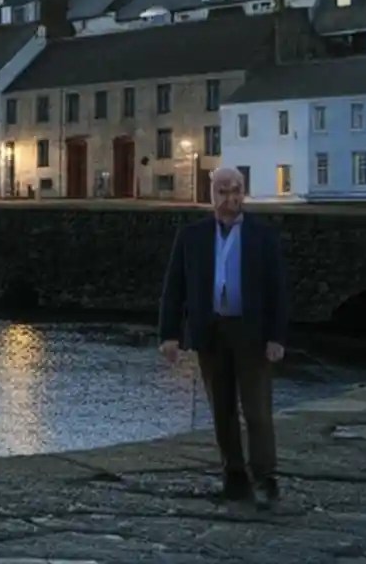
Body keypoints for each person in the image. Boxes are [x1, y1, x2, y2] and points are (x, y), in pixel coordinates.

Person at [157, 166, 289, 509]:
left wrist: (277, 337)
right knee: (222, 410)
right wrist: (170, 334)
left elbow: (277, 289)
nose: (231, 198)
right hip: (211, 331)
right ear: (211, 194)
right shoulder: (192, 236)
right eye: (224, 191)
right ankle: (234, 476)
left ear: (244, 192)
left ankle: (265, 477)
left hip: (252, 333)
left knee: (257, 410)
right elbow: (175, 287)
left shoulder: (262, 235)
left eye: (237, 190)